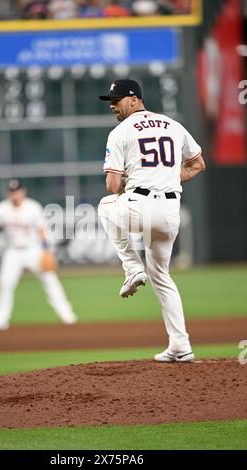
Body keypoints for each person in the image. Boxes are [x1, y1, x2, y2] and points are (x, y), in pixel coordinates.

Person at [97, 79, 205, 362]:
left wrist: (138, 182)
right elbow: (198, 164)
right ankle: (180, 345)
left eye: (117, 99)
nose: (112, 104)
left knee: (105, 205)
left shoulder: (120, 132)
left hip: (139, 205)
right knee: (161, 275)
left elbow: (112, 185)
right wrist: (166, 177)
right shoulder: (173, 125)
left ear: (134, 99)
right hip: (171, 213)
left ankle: (132, 267)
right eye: (110, 99)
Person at [0, 179, 77, 330]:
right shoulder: (1, 208)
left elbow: (42, 230)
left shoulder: (33, 207)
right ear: (9, 193)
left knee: (50, 280)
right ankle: (0, 320)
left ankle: (67, 315)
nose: (15, 194)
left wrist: (47, 251)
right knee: (6, 283)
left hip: (33, 249)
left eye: (18, 191)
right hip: (13, 251)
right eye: (12, 192)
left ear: (23, 191)